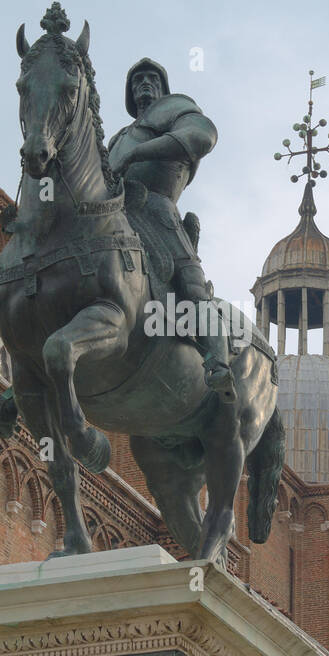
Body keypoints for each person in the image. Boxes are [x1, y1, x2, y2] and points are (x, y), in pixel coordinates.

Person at [108, 58, 234, 400]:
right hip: (116, 213)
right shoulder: (119, 137)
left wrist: (135, 156)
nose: (143, 85)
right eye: (137, 81)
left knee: (191, 284)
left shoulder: (178, 109)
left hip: (156, 210)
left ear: (163, 88)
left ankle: (218, 361)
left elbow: (201, 136)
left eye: (151, 79)